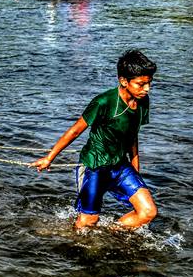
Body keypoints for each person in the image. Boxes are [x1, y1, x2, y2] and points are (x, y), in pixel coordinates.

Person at [30, 49, 158, 230]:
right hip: (94, 166)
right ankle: (73, 241)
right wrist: (49, 158)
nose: (146, 89)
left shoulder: (143, 101)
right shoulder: (103, 102)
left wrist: (135, 168)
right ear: (124, 81)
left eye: (149, 83)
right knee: (88, 222)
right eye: (141, 84)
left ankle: (111, 231)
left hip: (120, 166)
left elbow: (133, 135)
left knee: (148, 212)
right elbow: (75, 131)